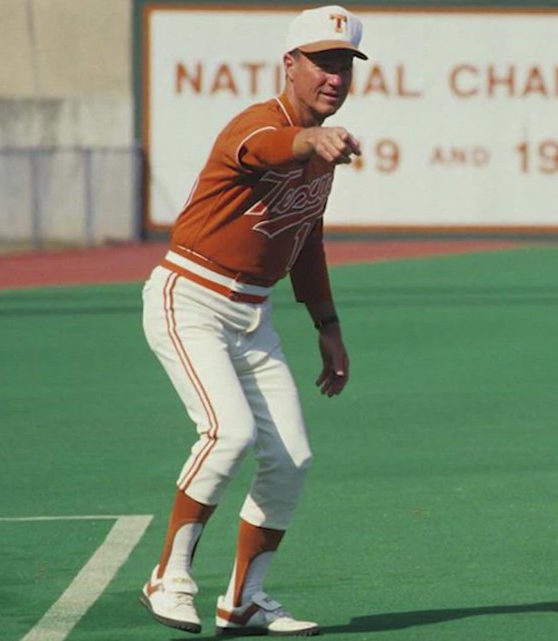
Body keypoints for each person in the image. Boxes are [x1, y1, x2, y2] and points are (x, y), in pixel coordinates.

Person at [138, 6, 366, 637]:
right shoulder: (260, 123)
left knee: (292, 458)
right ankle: (168, 578)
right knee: (227, 434)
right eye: (322, 62)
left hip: (253, 315)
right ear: (290, 64)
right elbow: (266, 148)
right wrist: (311, 142)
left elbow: (306, 239)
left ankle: (244, 599)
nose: (334, 77)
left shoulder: (322, 149)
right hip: (190, 297)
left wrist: (327, 325)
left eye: (344, 65)